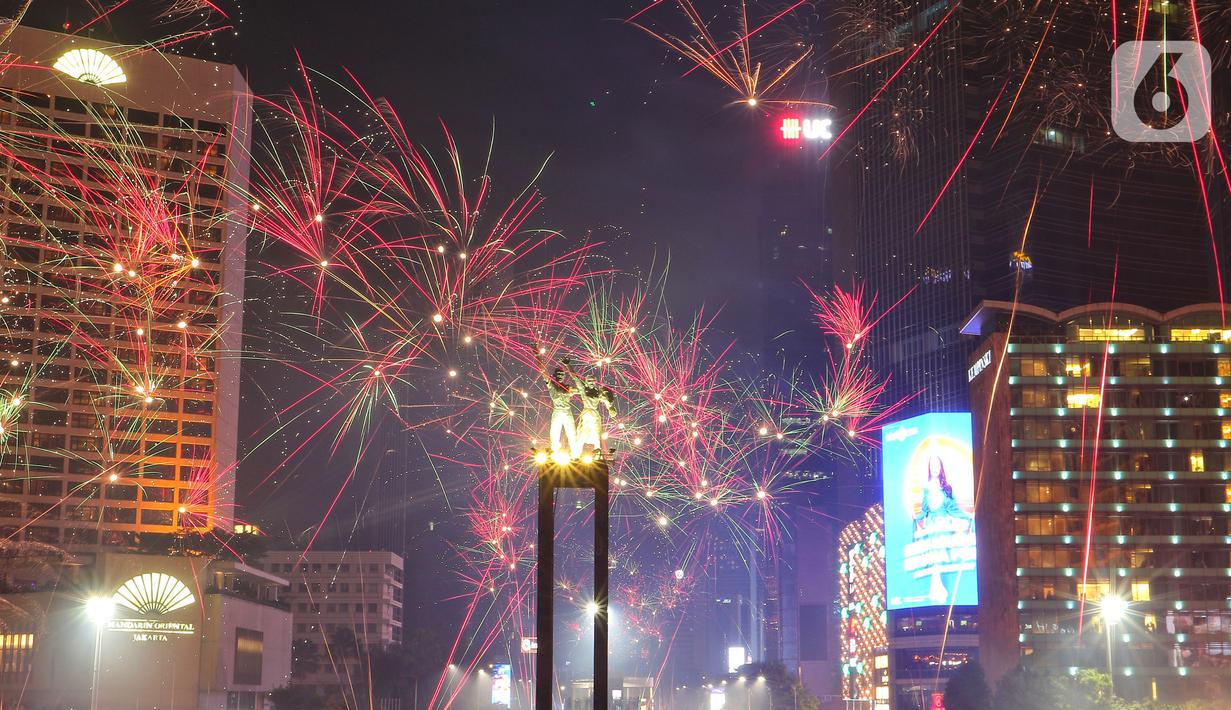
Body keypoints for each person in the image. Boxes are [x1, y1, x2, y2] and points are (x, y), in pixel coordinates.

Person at [535, 350, 578, 457]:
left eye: (562, 374)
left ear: (564, 376)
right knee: (554, 434)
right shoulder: (551, 386)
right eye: (558, 374)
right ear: (554, 375)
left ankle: (575, 454)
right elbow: (543, 371)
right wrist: (537, 355)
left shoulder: (568, 388)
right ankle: (554, 453)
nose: (560, 376)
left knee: (572, 434)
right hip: (557, 411)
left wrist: (568, 366)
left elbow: (581, 386)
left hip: (567, 412)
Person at [569, 366, 616, 454]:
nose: (591, 383)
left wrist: (610, 408)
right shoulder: (583, 390)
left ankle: (597, 451)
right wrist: (568, 366)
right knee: (581, 434)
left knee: (596, 433)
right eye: (589, 381)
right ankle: (576, 453)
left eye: (593, 381)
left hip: (594, 414)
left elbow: (606, 400)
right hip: (586, 414)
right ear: (586, 382)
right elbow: (576, 379)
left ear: (595, 382)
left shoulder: (598, 392)